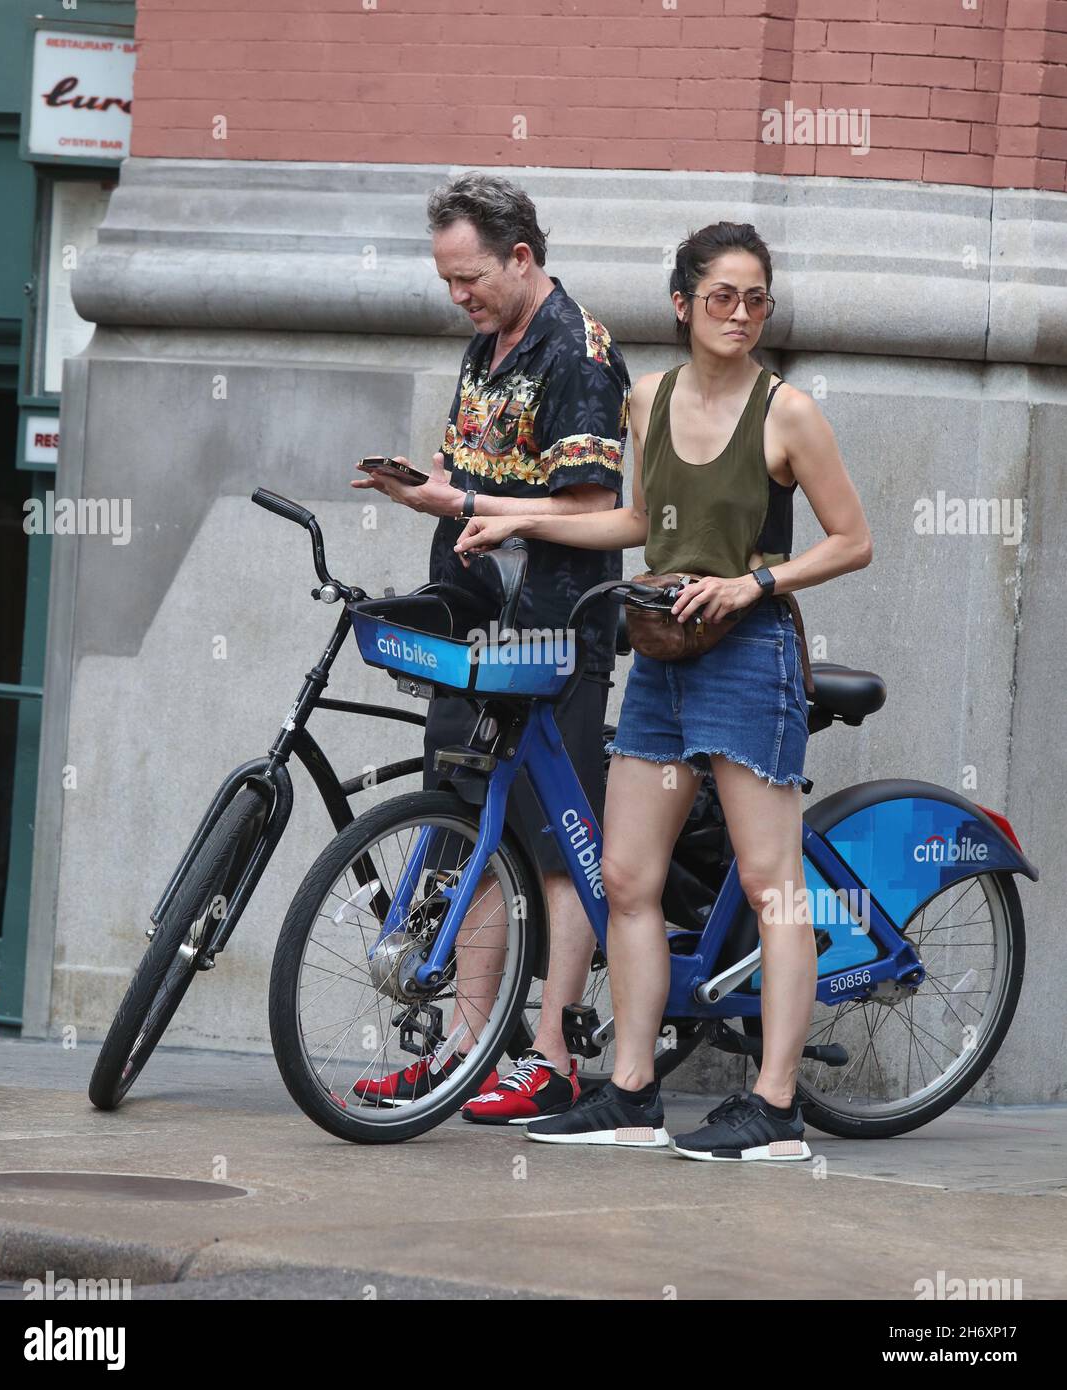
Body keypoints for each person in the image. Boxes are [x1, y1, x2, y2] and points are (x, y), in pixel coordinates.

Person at [453, 221, 873, 1160]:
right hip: (660, 650)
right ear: (681, 304)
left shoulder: (787, 413)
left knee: (772, 887)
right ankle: (633, 1093)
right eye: (721, 296)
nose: (740, 314)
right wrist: (505, 518)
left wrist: (754, 582)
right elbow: (635, 520)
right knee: (627, 877)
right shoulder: (649, 397)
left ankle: (774, 1109)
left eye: (755, 298)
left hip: (749, 650)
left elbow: (852, 540)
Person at [350, 172, 631, 1123]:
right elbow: (471, 470)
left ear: (521, 256)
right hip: (471, 630)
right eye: (447, 281)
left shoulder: (580, 354)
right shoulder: (486, 345)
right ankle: (470, 1050)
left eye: (469, 277)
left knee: (559, 845)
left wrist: (460, 503)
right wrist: (424, 484)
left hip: (552, 631)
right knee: (464, 826)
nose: (458, 296)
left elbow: (594, 510)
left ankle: (551, 1054)